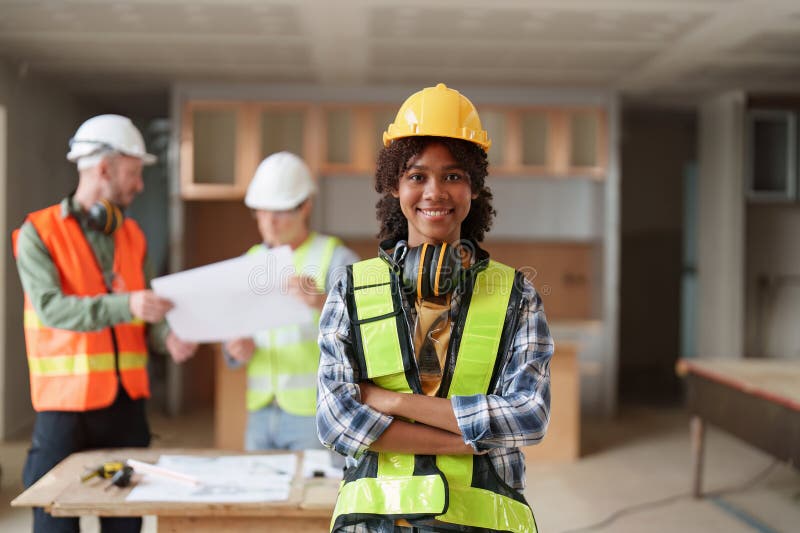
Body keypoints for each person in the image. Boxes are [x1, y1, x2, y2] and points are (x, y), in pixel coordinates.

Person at [316, 83, 554, 532]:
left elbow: (529, 416)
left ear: (474, 189)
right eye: (417, 175)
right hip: (376, 521)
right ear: (394, 186)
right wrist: (465, 441)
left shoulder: (516, 293)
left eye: (453, 176)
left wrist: (388, 401)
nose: (434, 192)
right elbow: (336, 421)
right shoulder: (351, 287)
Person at [13, 114, 199, 533]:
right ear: (103, 169)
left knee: (126, 523)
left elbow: (146, 311)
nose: (139, 185)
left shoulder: (132, 235)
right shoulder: (38, 233)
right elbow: (52, 309)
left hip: (125, 407)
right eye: (133, 173)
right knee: (56, 521)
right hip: (65, 409)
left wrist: (167, 337)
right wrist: (128, 305)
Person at [223, 151, 359, 451]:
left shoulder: (335, 257)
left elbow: (369, 329)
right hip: (260, 410)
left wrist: (322, 301)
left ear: (305, 206)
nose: (270, 221)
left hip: (316, 412)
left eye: (281, 210)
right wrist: (235, 350)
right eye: (262, 210)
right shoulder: (250, 262)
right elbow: (233, 337)